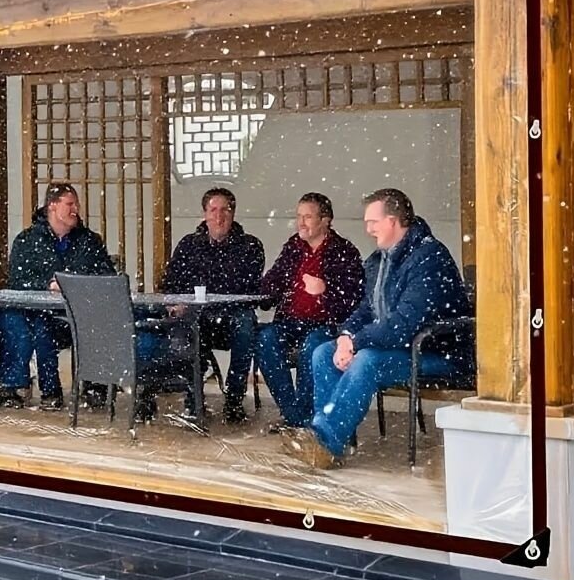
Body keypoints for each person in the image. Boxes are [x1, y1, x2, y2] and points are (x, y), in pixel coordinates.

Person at [281, 188, 473, 469]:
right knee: (324, 352)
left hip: (436, 354)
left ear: (393, 221)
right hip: (400, 349)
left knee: (367, 361)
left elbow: (405, 324)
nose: (368, 229)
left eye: (373, 222)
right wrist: (346, 336)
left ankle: (323, 442)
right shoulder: (379, 261)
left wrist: (357, 343)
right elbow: (365, 310)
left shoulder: (428, 258)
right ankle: (328, 439)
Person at [0, 183, 115, 410]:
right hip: (41, 313)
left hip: (84, 312)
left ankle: (95, 388)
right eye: (69, 204)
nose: (75, 210)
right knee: (37, 327)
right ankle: (49, 391)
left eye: (76, 205)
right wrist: (47, 285)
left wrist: (79, 285)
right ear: (51, 206)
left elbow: (106, 275)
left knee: (100, 324)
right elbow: (16, 282)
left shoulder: (89, 241)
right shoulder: (27, 241)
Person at [256, 193, 363, 430]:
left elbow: (353, 301)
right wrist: (265, 290)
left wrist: (324, 290)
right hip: (291, 321)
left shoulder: (343, 252)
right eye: (298, 216)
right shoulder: (294, 247)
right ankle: (295, 416)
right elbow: (271, 282)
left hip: (327, 324)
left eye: (308, 217)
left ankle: (301, 415)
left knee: (312, 346)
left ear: (325, 220)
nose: (301, 223)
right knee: (265, 338)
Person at [160, 187, 265, 424]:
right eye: (213, 210)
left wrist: (209, 290)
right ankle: (193, 400)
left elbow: (246, 287)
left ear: (234, 213)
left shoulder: (249, 246)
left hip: (231, 318)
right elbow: (171, 282)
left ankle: (234, 398)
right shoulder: (189, 245)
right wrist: (177, 302)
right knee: (181, 328)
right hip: (197, 318)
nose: (219, 217)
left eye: (225, 210)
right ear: (204, 214)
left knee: (246, 322)